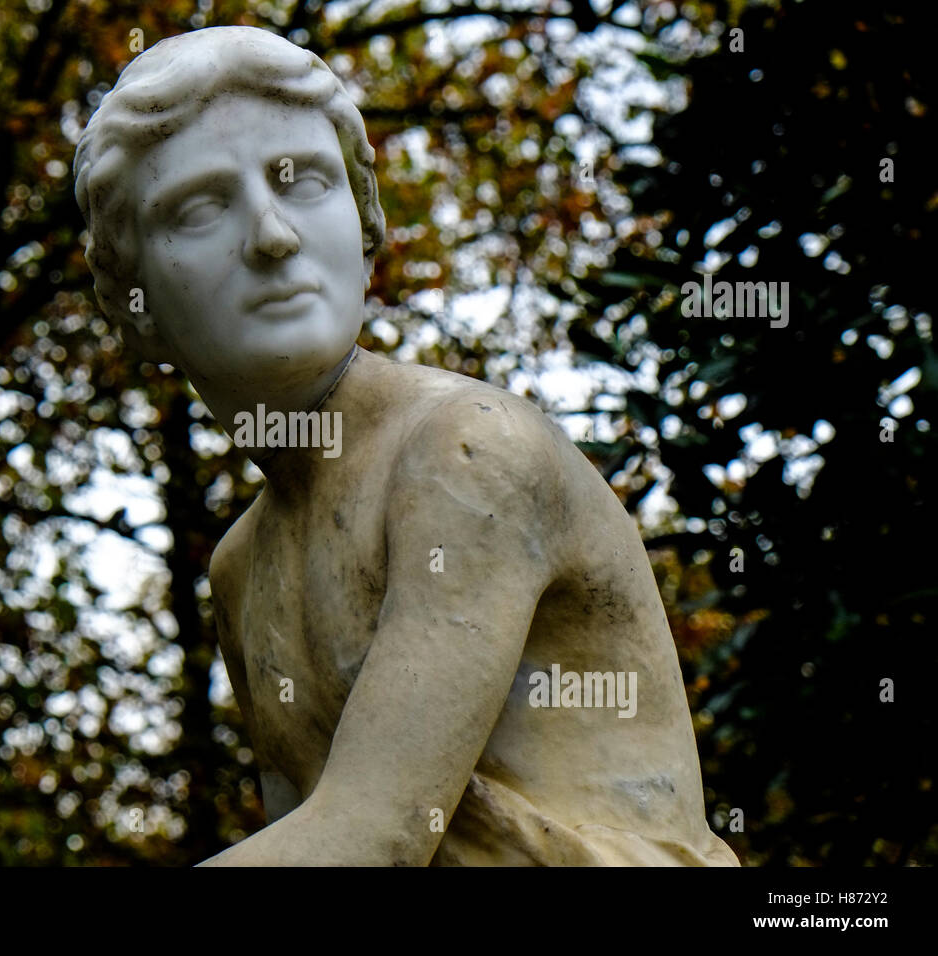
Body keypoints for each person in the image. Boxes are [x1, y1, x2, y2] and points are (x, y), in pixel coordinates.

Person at [73, 25, 739, 866]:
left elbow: (374, 838)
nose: (272, 237)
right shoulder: (240, 570)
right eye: (202, 208)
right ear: (132, 299)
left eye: (305, 182)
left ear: (364, 221)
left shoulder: (468, 452)